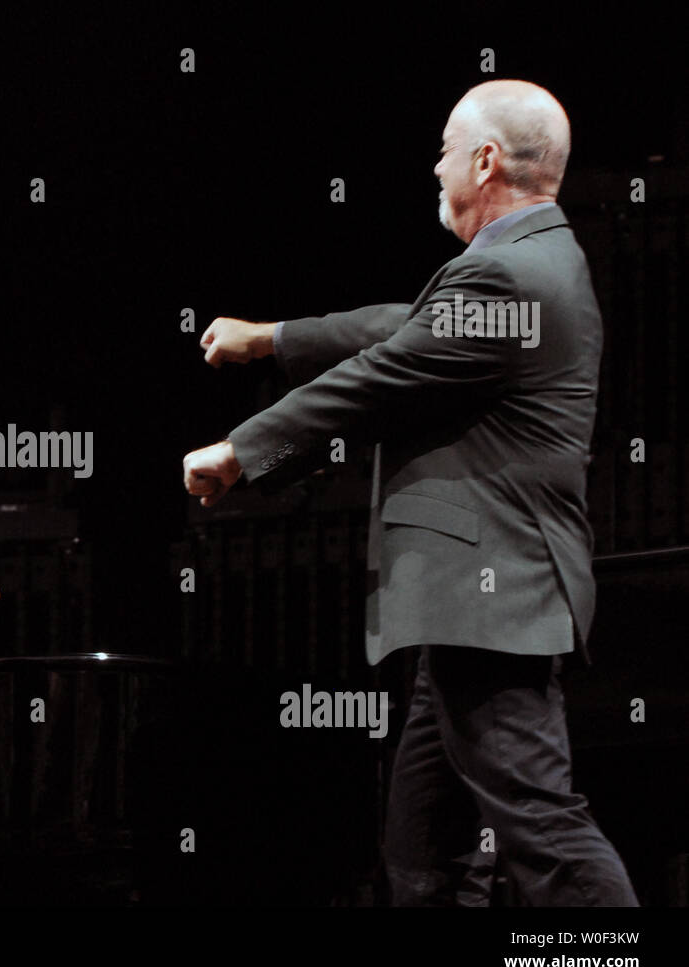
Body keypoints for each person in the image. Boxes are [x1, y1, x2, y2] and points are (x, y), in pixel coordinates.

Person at [183, 80, 638, 905]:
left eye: (443, 148)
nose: (434, 168)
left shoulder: (509, 276)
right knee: (424, 853)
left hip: (491, 599)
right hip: (476, 603)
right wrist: (274, 339)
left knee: (545, 832)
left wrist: (240, 450)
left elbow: (380, 373)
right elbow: (406, 324)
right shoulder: (530, 261)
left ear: (486, 160)